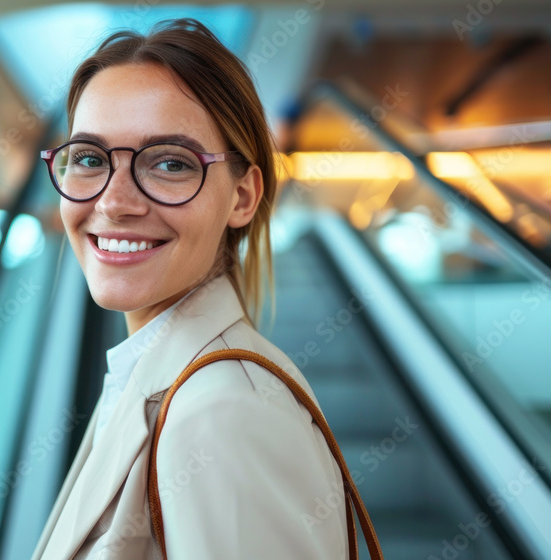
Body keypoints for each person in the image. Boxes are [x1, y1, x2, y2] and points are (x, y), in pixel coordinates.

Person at [33, 18, 348, 559]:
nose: (114, 202)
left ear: (243, 197)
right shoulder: (150, 380)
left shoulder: (222, 414)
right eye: (88, 158)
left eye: (170, 163)